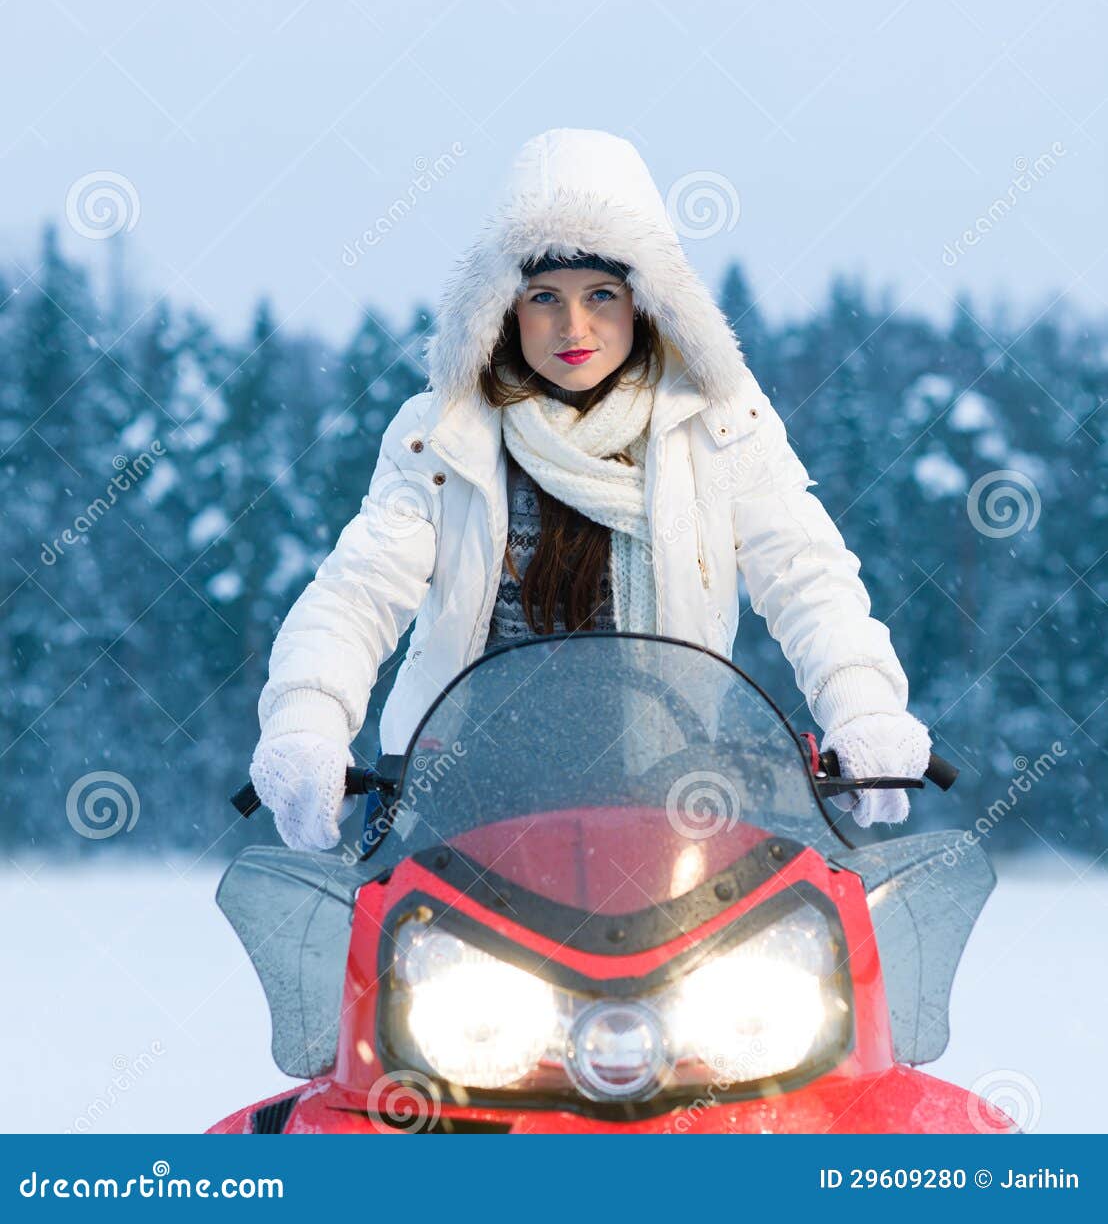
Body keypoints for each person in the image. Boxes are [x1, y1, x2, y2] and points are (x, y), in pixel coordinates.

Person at [250, 128, 931, 850]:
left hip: (679, 815)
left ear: (646, 303)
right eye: (544, 296)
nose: (574, 325)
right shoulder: (443, 436)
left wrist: (864, 711)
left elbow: (805, 576)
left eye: (601, 294)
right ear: (504, 312)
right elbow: (356, 594)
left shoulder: (721, 426)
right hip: (461, 818)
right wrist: (307, 722)